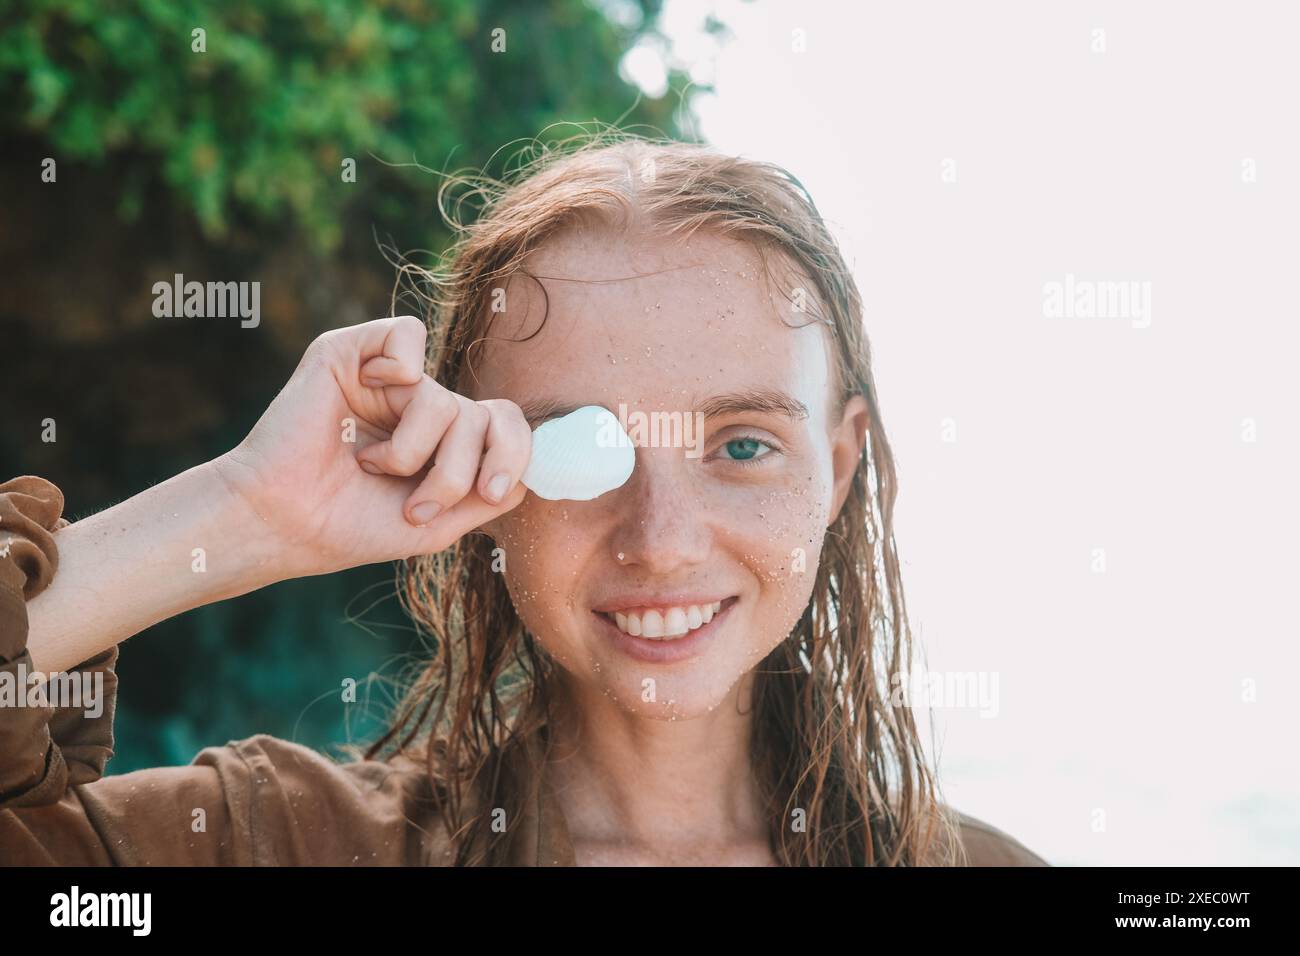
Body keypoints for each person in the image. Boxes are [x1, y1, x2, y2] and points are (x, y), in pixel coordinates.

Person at [0, 136, 1048, 866]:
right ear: (484, 484)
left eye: (740, 444)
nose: (660, 540)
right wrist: (241, 512)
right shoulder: (277, 842)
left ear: (841, 463)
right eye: (580, 451)